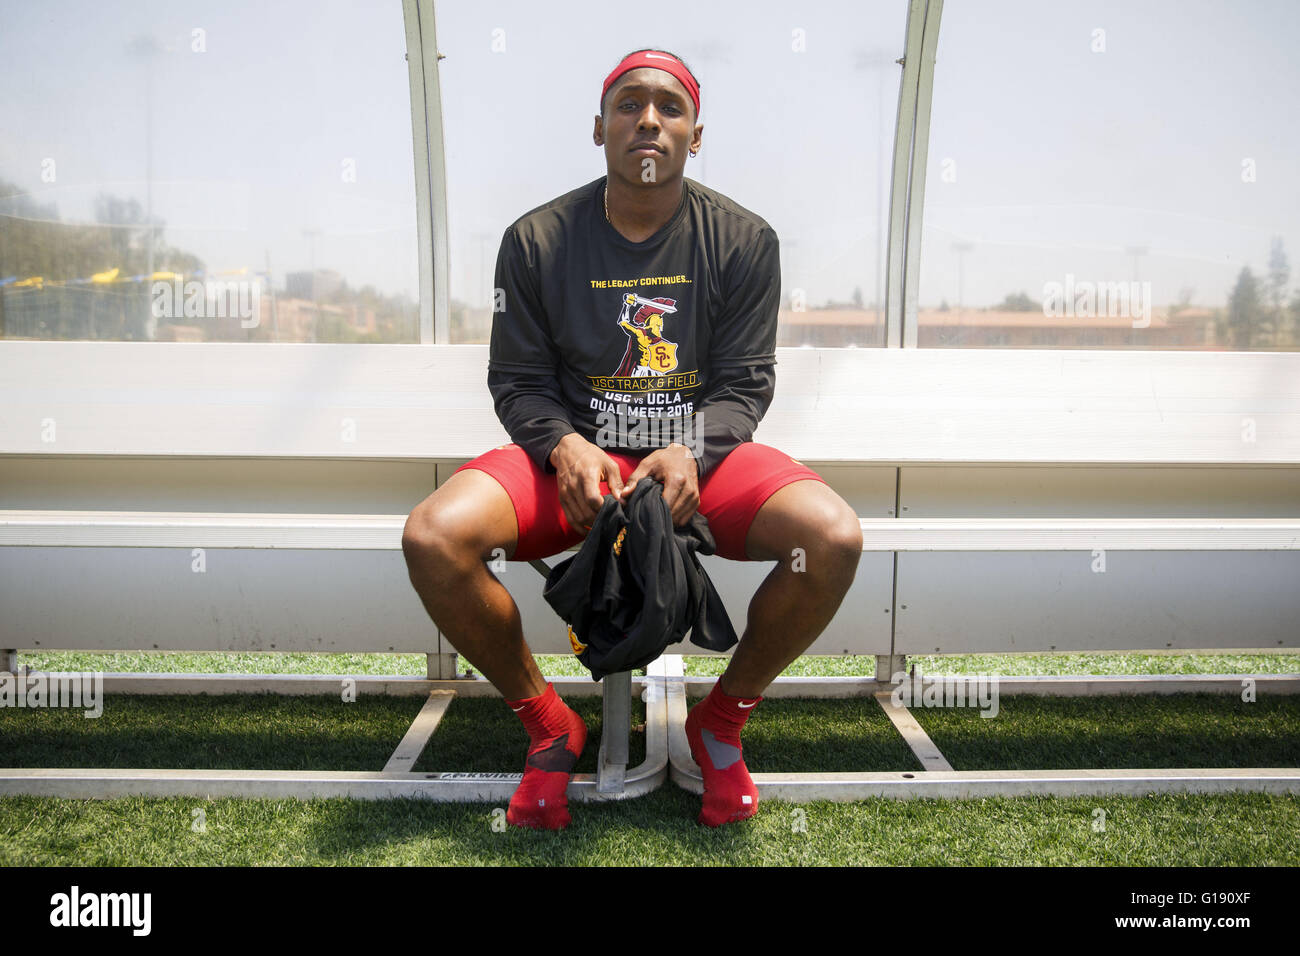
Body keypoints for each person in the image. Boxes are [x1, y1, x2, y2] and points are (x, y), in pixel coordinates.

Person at [402, 48, 863, 829]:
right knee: (432, 536)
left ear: (695, 133)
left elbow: (746, 382)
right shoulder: (538, 239)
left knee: (834, 537)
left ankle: (721, 723)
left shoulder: (744, 239)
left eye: (668, 107)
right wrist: (562, 446)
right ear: (599, 128)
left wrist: (692, 448)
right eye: (628, 104)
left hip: (693, 463)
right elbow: (517, 381)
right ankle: (550, 728)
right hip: (577, 466)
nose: (648, 119)